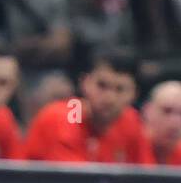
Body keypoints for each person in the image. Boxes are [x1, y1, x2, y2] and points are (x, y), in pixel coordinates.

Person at [23, 50, 154, 165]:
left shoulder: (130, 120)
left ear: (134, 94)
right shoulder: (67, 114)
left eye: (120, 90)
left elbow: (148, 180)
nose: (110, 98)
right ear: (85, 82)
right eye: (102, 86)